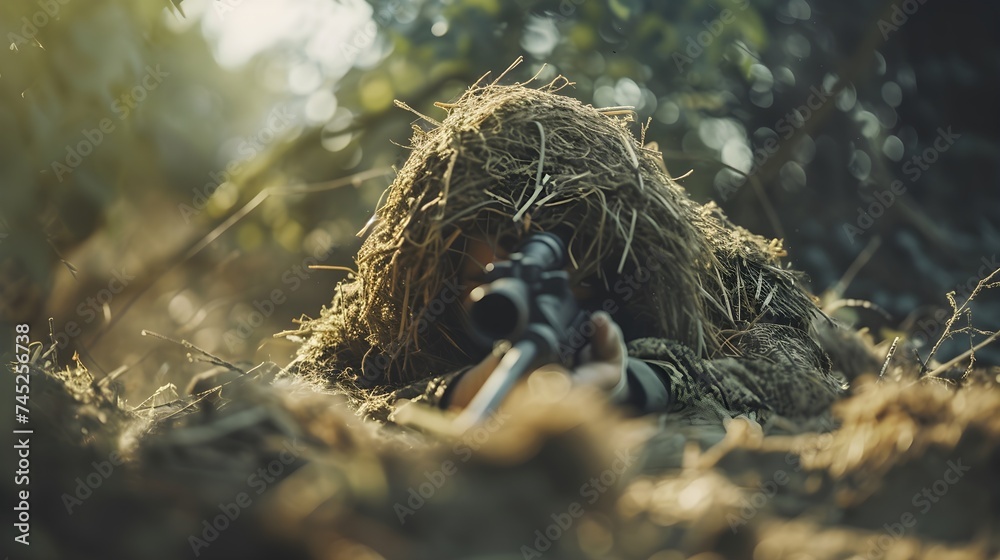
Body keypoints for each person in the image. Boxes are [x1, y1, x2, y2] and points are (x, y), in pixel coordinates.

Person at [283, 72, 845, 427]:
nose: (524, 267)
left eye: (571, 249)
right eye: (502, 241)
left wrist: (630, 384)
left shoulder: (720, 284)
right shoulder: (374, 325)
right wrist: (449, 394)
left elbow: (798, 384)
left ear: (608, 270)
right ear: (449, 245)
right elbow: (309, 398)